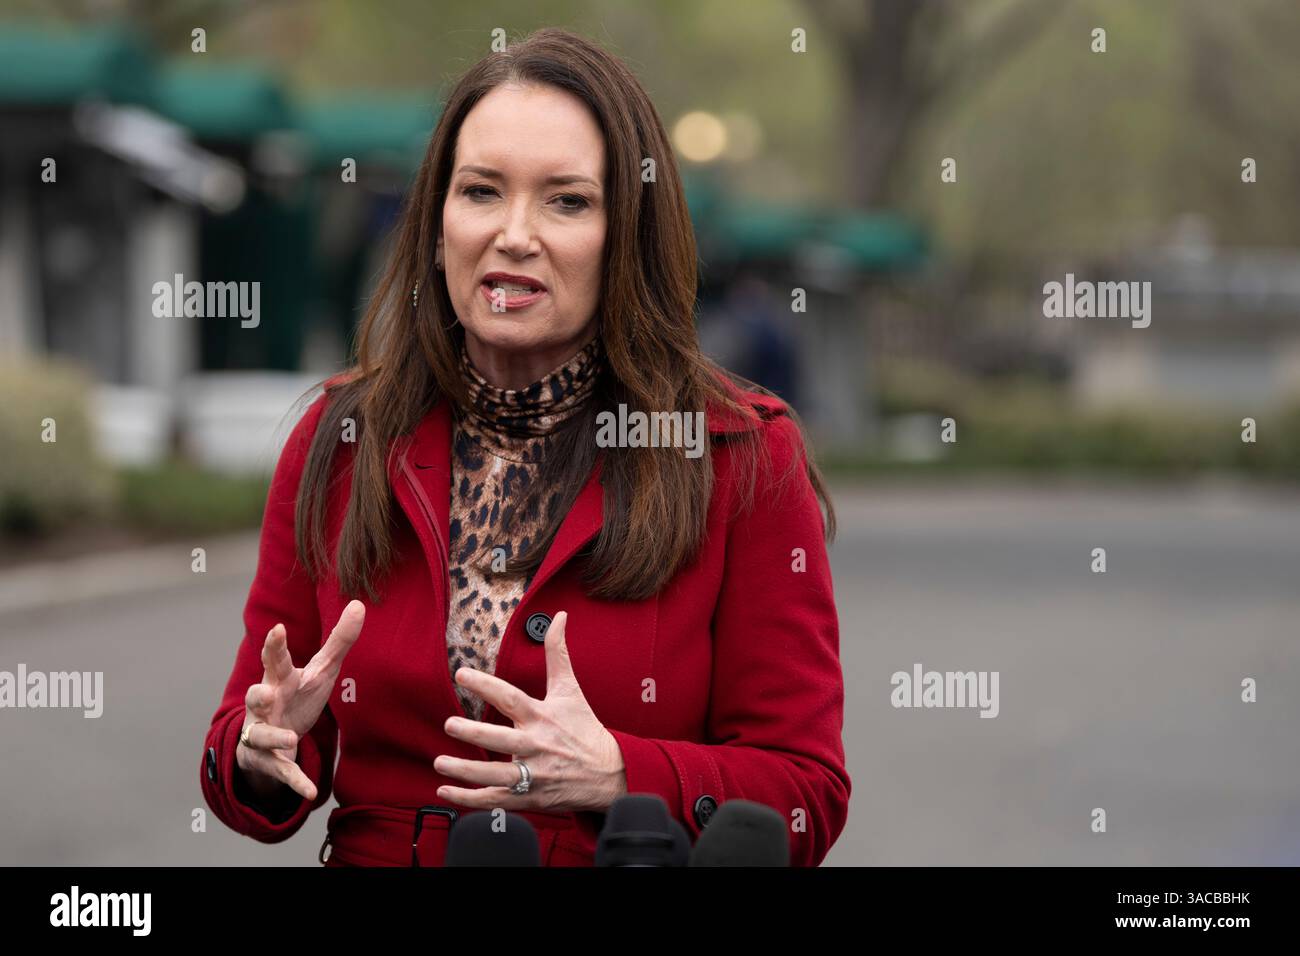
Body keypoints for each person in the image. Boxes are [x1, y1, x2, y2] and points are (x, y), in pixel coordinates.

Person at [199, 27, 849, 866]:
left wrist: (622, 772)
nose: (514, 233)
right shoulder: (342, 439)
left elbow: (806, 795)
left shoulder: (742, 457)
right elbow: (245, 757)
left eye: (566, 200)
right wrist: (260, 753)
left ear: (627, 235)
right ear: (436, 228)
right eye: (480, 192)